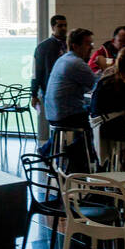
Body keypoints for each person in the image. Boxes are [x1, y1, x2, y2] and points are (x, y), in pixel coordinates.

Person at [42, 27, 96, 169]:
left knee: (87, 121)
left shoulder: (64, 59)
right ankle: (77, 165)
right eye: (88, 44)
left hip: (53, 112)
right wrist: (105, 68)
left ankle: (48, 151)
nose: (91, 47)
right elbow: (96, 85)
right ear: (75, 46)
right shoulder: (77, 63)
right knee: (95, 125)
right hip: (65, 114)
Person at [30, 14, 69, 148]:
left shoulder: (69, 45)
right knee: (56, 123)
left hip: (68, 90)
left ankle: (57, 148)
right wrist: (34, 94)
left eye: (65, 25)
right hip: (50, 90)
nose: (63, 28)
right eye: (60, 26)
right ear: (53, 27)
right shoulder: (44, 47)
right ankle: (50, 149)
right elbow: (37, 71)